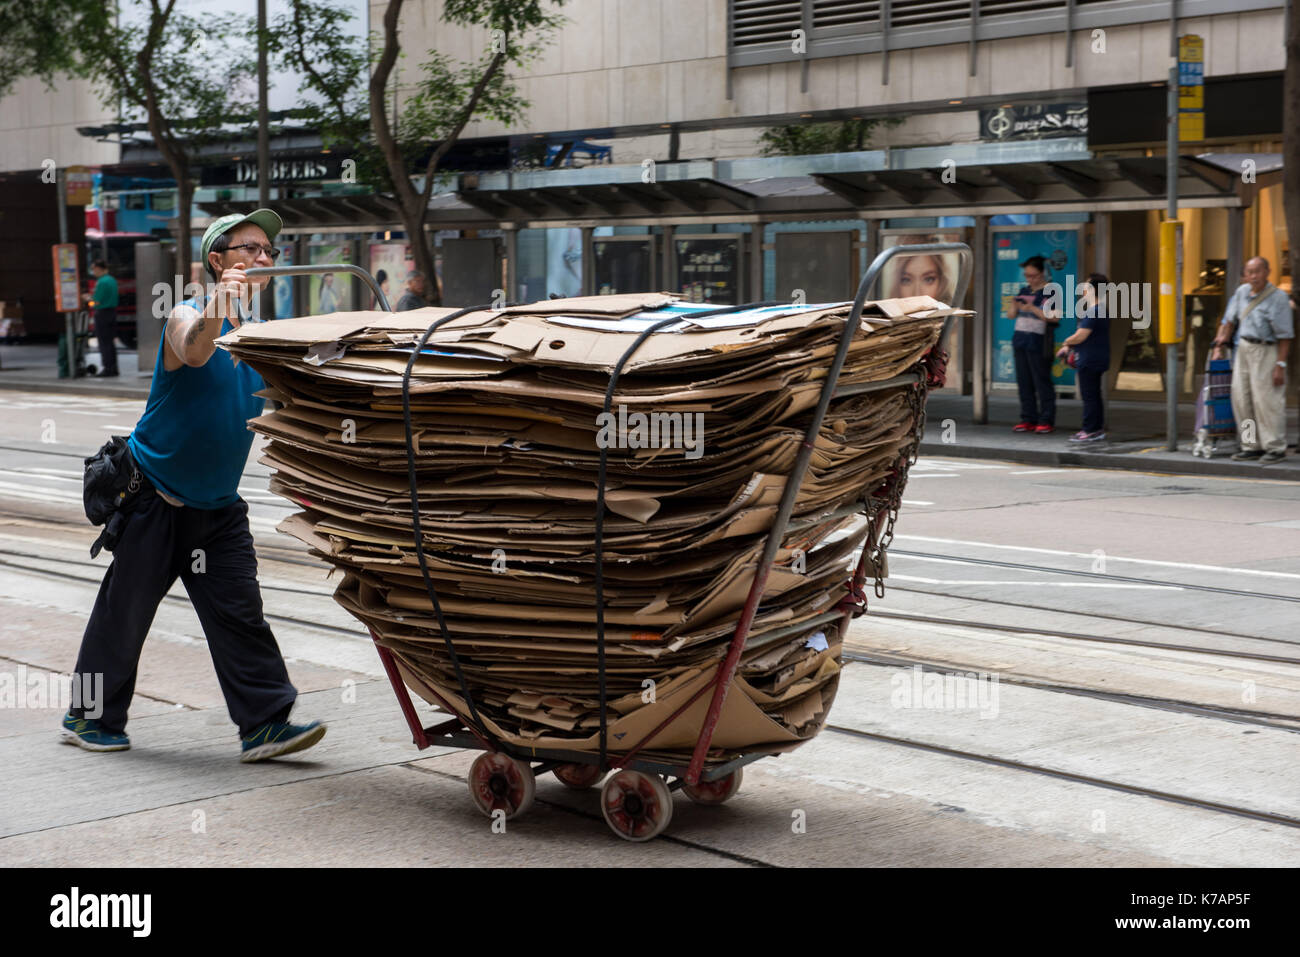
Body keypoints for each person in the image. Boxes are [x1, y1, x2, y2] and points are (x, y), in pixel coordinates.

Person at [61, 208, 327, 762]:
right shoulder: (185, 313)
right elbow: (194, 348)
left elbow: (288, 406)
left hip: (218, 510)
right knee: (124, 614)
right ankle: (88, 717)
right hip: (153, 497)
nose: (262, 259)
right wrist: (220, 303)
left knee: (240, 614)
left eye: (268, 252)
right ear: (217, 261)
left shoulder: (257, 337)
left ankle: (265, 724)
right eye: (249, 249)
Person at [1212, 256, 1293, 463]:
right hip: (1243, 349)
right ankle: (1250, 445)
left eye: (1258, 271)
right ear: (1244, 275)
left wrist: (1280, 365)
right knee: (1242, 399)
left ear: (1268, 271)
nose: (1254, 276)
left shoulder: (1278, 298)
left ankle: (1274, 447)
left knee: (1267, 401)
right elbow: (1229, 321)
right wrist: (1220, 344)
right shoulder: (1241, 293)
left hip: (1266, 350)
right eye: (1250, 272)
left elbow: (1285, 337)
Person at [1005, 255, 1060, 434]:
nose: (1030, 279)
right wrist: (1014, 304)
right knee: (1024, 382)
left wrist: (1033, 309)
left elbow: (1055, 316)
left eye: (1033, 275)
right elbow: (1011, 315)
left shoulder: (1051, 291)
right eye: (1027, 275)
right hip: (1021, 340)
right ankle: (1028, 418)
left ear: (1042, 273)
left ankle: (1046, 419)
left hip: (1039, 341)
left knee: (1042, 381)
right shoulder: (1023, 290)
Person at [1057, 273, 1110, 443]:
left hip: (1090, 359)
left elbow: (1081, 335)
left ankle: (1089, 430)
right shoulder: (1101, 309)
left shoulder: (1094, 311)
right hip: (1097, 358)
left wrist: (1066, 343)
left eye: (1086, 287)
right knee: (1094, 395)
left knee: (1089, 396)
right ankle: (1097, 429)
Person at [86, 259, 119, 378]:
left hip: (102, 314)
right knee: (110, 342)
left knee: (104, 343)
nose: (93, 272)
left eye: (94, 269)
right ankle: (114, 368)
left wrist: (88, 299)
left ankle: (107, 368)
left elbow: (96, 301)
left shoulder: (101, 282)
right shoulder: (112, 280)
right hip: (112, 313)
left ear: (99, 269)